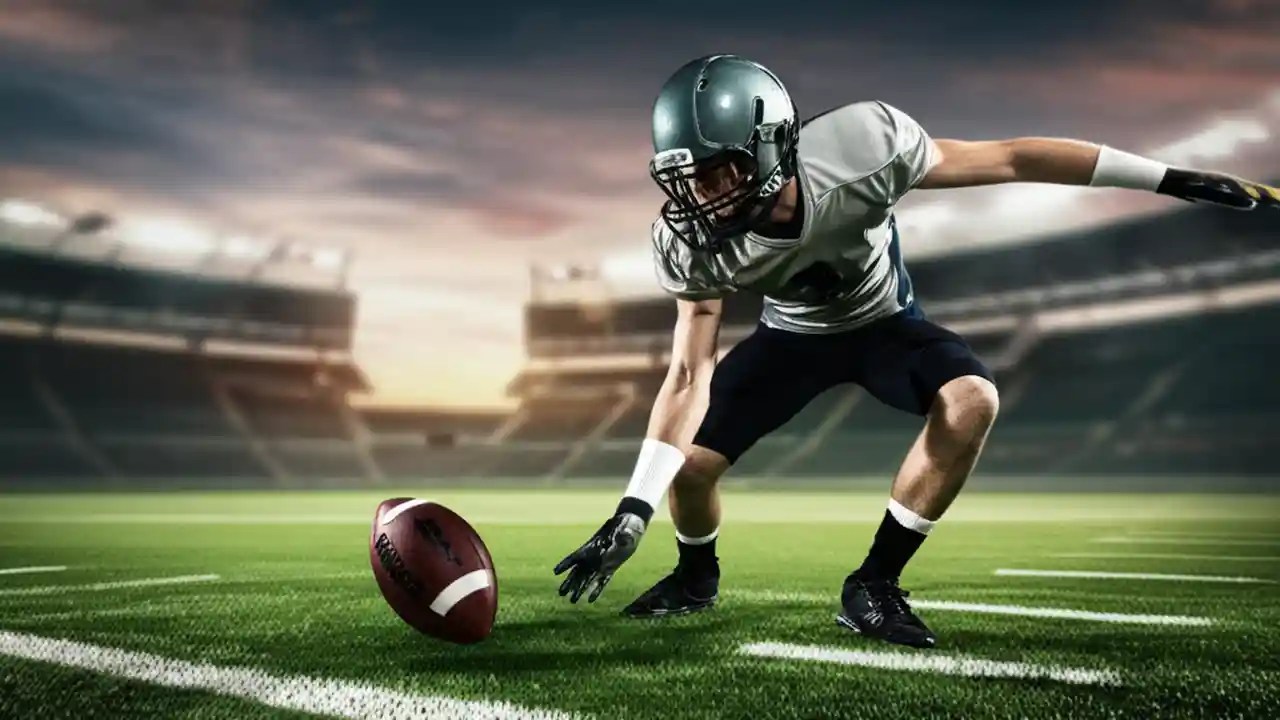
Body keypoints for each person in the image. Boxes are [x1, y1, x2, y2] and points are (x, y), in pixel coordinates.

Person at [553, 54, 1278, 648]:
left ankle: (872, 583)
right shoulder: (686, 237)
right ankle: (695, 576)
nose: (699, 196)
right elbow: (688, 368)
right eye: (688, 176)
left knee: (972, 400)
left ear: (772, 145)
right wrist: (633, 508)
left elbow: (1013, 157)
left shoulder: (863, 147)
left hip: (882, 323)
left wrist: (1170, 177)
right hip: (791, 338)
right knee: (689, 470)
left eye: (718, 172)